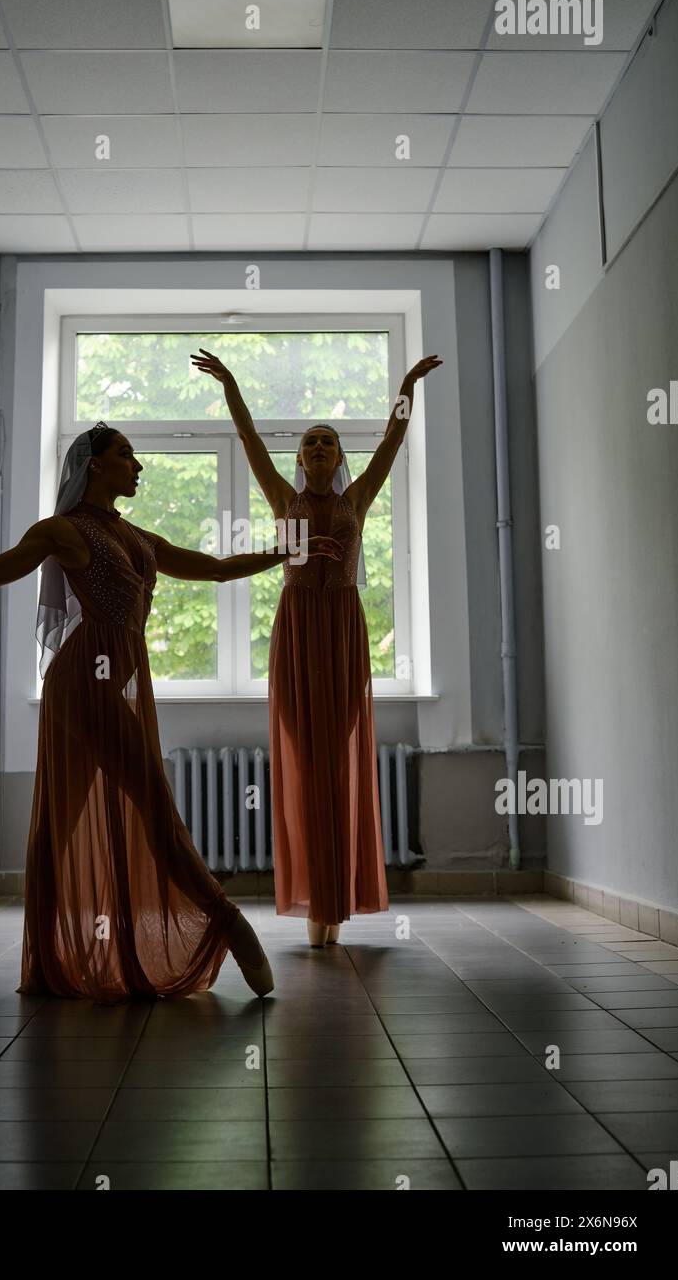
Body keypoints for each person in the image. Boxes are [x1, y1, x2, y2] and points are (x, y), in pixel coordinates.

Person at [0, 422, 342, 1001]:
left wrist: (291, 550)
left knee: (69, 828)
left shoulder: (136, 536)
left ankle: (47, 966)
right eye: (126, 455)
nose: (137, 466)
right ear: (94, 465)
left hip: (101, 691)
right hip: (80, 687)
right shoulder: (61, 530)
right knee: (140, 813)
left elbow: (213, 567)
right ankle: (229, 925)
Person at [192, 349, 441, 947]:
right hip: (300, 632)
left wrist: (406, 386)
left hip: (344, 630)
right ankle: (317, 905)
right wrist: (231, 386)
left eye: (328, 441)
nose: (320, 448)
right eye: (310, 443)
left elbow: (390, 443)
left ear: (338, 455)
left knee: (337, 764)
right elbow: (248, 438)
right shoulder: (285, 500)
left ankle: (333, 904)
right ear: (300, 459)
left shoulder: (356, 502)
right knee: (307, 766)